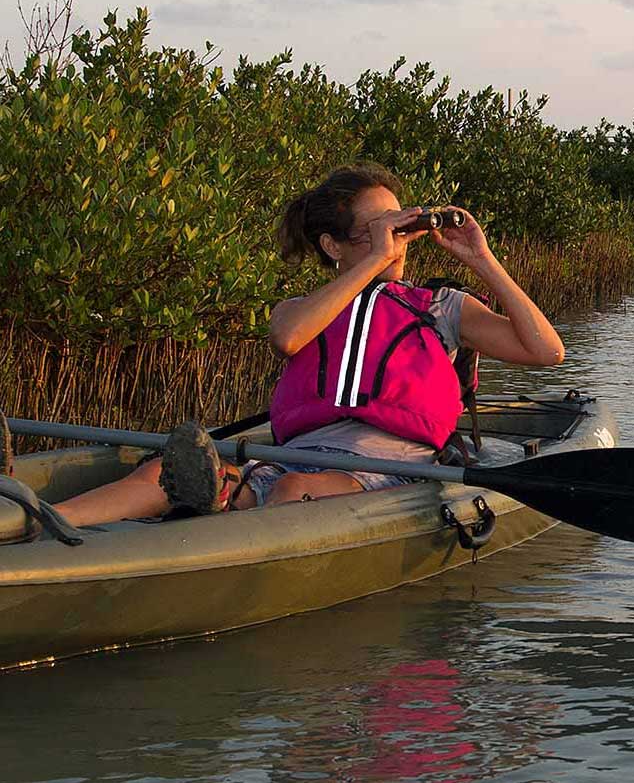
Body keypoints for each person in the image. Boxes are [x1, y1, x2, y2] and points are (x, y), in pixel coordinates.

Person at [0, 163, 564, 527]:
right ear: (333, 246)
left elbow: (545, 351)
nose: (395, 239)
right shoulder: (302, 308)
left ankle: (216, 509)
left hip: (384, 470)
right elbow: (289, 338)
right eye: (377, 229)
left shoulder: (441, 307)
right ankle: (39, 521)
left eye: (399, 225)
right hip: (292, 455)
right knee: (159, 473)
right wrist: (372, 261)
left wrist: (480, 258)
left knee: (295, 488)